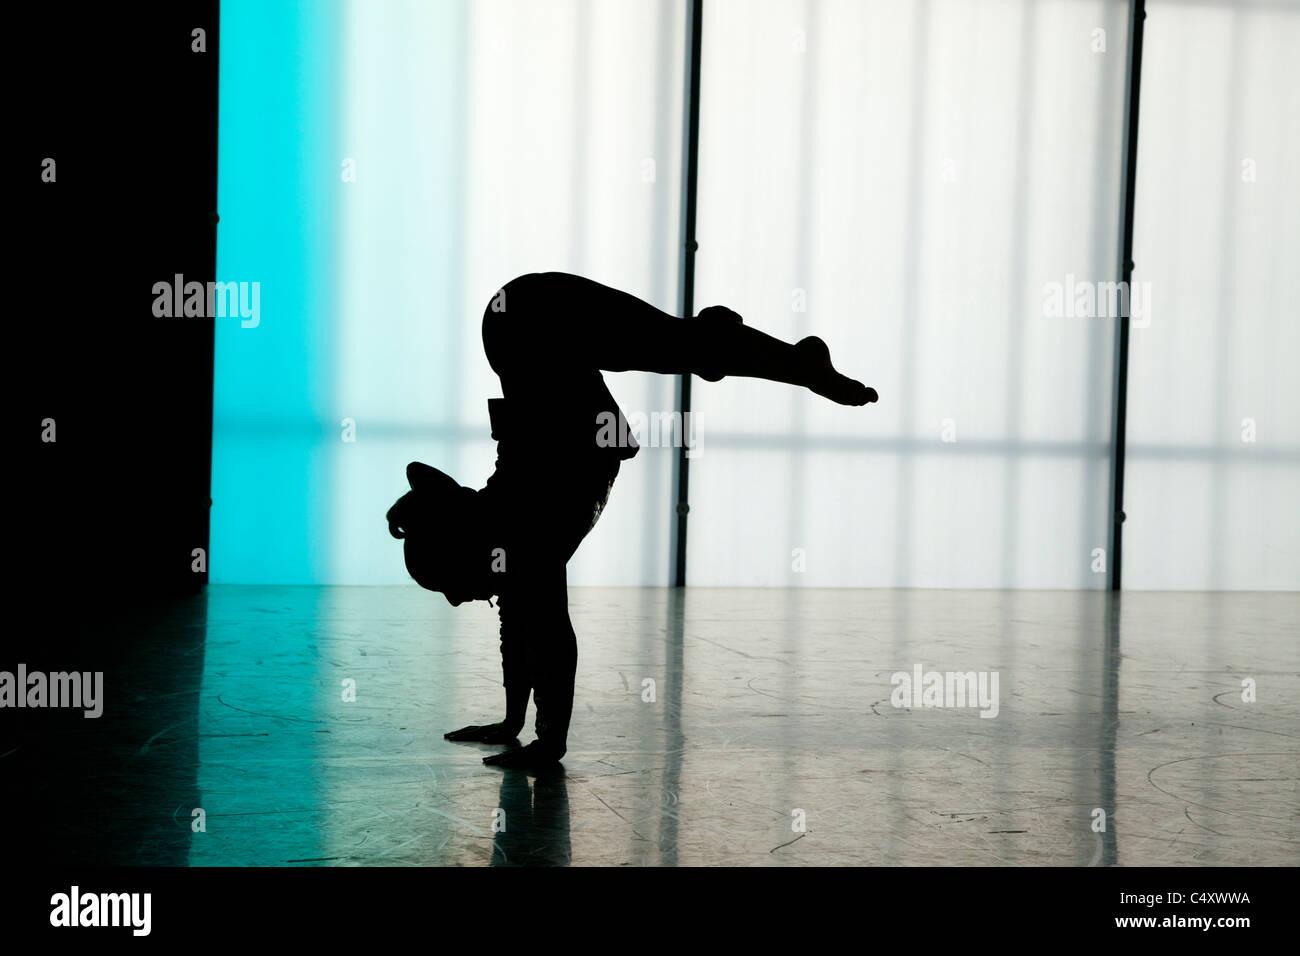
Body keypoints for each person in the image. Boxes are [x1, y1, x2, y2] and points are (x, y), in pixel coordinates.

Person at [386, 272, 876, 769]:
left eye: (445, 583)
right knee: (683, 344)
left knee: (684, 345)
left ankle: (799, 364)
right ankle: (796, 361)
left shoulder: (523, 542)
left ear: (463, 550)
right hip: (523, 324)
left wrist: (549, 741)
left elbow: (551, 639)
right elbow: (517, 622)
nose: (452, 598)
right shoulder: (504, 539)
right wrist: (512, 723)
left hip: (531, 320)